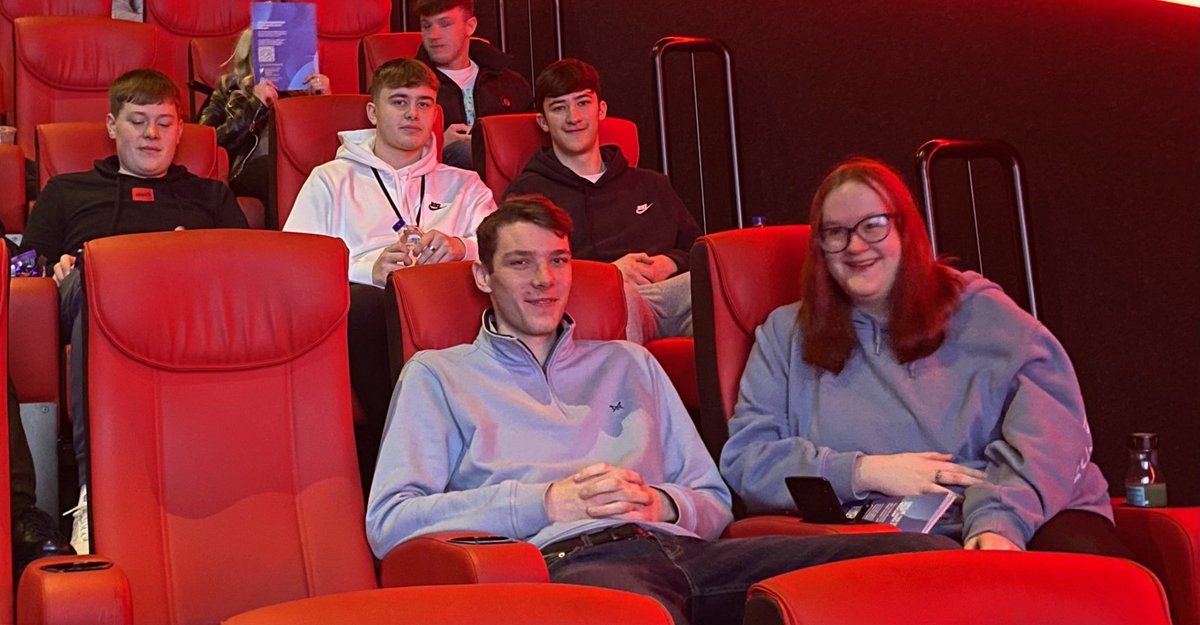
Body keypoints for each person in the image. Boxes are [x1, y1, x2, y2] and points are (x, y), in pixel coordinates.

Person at [366, 195, 955, 625]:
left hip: (689, 551)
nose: (544, 280)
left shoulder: (630, 362)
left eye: (559, 261)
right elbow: (391, 522)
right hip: (570, 563)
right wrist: (546, 503)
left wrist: (662, 502)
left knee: (918, 560)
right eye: (520, 263)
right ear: (482, 274)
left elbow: (712, 500)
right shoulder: (439, 375)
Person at [719, 157, 1130, 557]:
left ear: (905, 230)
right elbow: (747, 461)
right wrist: (865, 472)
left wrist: (999, 521)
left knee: (1091, 574)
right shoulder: (785, 335)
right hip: (889, 533)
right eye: (836, 233)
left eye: (873, 225)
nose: (855, 246)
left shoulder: (981, 311)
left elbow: (1053, 433)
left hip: (1019, 513)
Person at [20, 68, 248, 554]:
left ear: (180, 130)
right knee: (97, 279)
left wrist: (197, 256)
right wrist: (54, 273)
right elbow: (26, 270)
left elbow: (246, 274)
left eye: (164, 123)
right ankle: (95, 495)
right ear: (111, 125)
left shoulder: (211, 196)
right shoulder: (68, 191)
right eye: (138, 121)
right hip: (89, 300)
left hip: (187, 311)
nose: (151, 134)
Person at [284, 58, 496, 489]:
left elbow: (504, 250)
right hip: (368, 314)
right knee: (367, 304)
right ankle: (409, 461)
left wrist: (461, 247)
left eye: (423, 104)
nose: (412, 114)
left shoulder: (465, 185)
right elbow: (295, 266)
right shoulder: (331, 180)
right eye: (399, 102)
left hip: (448, 308)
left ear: (436, 114)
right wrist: (369, 270)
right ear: (373, 112)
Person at [505, 59, 698, 344]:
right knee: (623, 297)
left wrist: (670, 262)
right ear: (543, 122)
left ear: (602, 110)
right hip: (597, 301)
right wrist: (608, 275)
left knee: (724, 283)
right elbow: (525, 271)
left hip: (671, 293)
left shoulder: (652, 184)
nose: (574, 117)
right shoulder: (527, 193)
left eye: (583, 103)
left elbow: (698, 249)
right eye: (559, 108)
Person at [198, 29, 331, 203]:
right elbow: (206, 143)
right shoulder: (227, 92)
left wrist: (325, 101)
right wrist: (255, 103)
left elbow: (328, 144)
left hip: (299, 163)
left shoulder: (303, 92)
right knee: (274, 168)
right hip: (251, 168)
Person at [414, 0, 533, 169]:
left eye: (445, 24)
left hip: (511, 174)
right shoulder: (409, 86)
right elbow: (388, 149)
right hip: (437, 176)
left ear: (470, 26)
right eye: (426, 26)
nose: (433, 35)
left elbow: (531, 141)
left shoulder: (510, 83)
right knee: (463, 151)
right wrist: (438, 143)